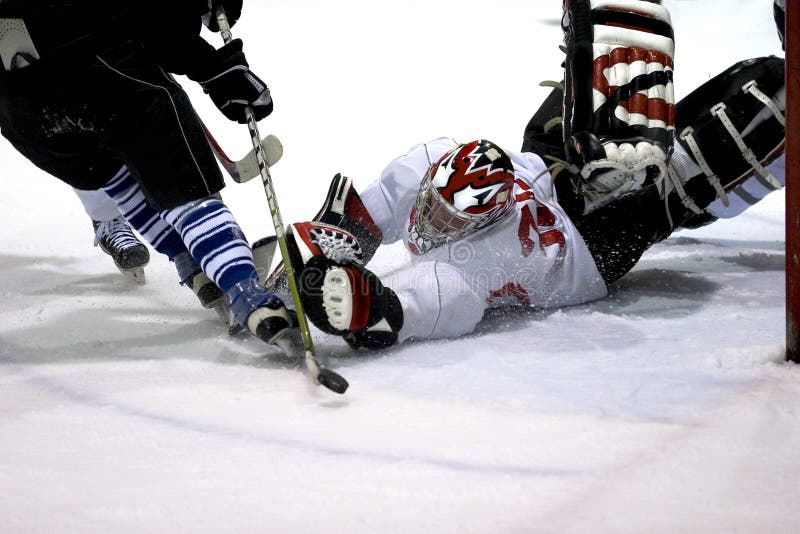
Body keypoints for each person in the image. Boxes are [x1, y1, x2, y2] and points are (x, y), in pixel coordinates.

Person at [263, 0, 786, 349]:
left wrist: (357, 301)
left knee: (610, 89)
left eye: (447, 221)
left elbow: (397, 303)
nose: (431, 226)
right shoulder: (456, 227)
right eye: (435, 211)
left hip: (558, 205)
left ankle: (611, 149)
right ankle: (653, 171)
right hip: (588, 244)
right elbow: (399, 303)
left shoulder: (466, 232)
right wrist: (342, 269)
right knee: (725, 139)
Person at [0, 1, 291, 345]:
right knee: (179, 182)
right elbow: (155, 26)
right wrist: (212, 68)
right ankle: (245, 291)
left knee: (119, 177)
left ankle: (194, 266)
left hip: (19, 109)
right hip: (91, 68)